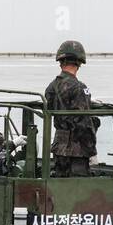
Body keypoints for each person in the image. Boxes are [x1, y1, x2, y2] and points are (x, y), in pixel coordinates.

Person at [43, 39, 99, 177]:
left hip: (59, 148)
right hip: (77, 151)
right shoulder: (79, 88)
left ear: (61, 62)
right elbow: (83, 123)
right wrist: (91, 151)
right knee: (78, 192)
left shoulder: (51, 87)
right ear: (79, 62)